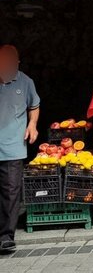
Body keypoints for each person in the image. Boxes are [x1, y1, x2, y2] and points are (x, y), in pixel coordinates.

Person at [0, 46, 39, 254]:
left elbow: (34, 105)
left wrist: (32, 124)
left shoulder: (25, 82)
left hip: (13, 148)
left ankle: (6, 237)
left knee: (11, 192)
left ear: (16, 63)